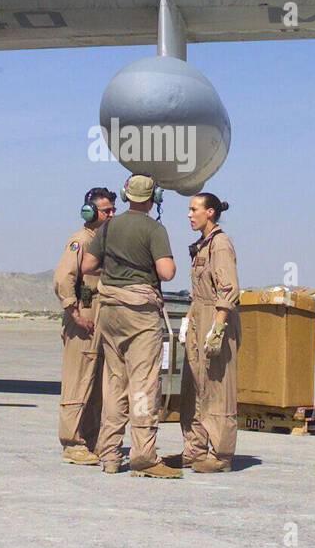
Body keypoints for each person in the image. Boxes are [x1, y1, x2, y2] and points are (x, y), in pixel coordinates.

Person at [79, 174, 180, 478]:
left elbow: (86, 266)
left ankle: (110, 456)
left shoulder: (108, 226)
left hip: (110, 310)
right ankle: (144, 456)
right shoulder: (154, 228)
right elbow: (168, 272)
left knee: (114, 383)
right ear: (154, 199)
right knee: (143, 384)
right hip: (139, 312)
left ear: (125, 196)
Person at [168, 192, 240, 473]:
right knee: (195, 385)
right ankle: (195, 449)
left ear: (210, 212)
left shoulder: (220, 245)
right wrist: (190, 318)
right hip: (199, 314)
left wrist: (218, 326)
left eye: (194, 209)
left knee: (217, 387)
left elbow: (228, 288)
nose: (189, 214)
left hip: (215, 317)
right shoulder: (202, 245)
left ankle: (221, 455)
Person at [52, 187, 116, 464]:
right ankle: (72, 441)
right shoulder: (80, 241)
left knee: (97, 381)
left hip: (102, 317)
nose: (112, 215)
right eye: (106, 211)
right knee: (78, 380)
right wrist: (74, 310)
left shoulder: (104, 242)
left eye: (114, 210)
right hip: (83, 316)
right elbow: (63, 278)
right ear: (90, 212)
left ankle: (92, 439)